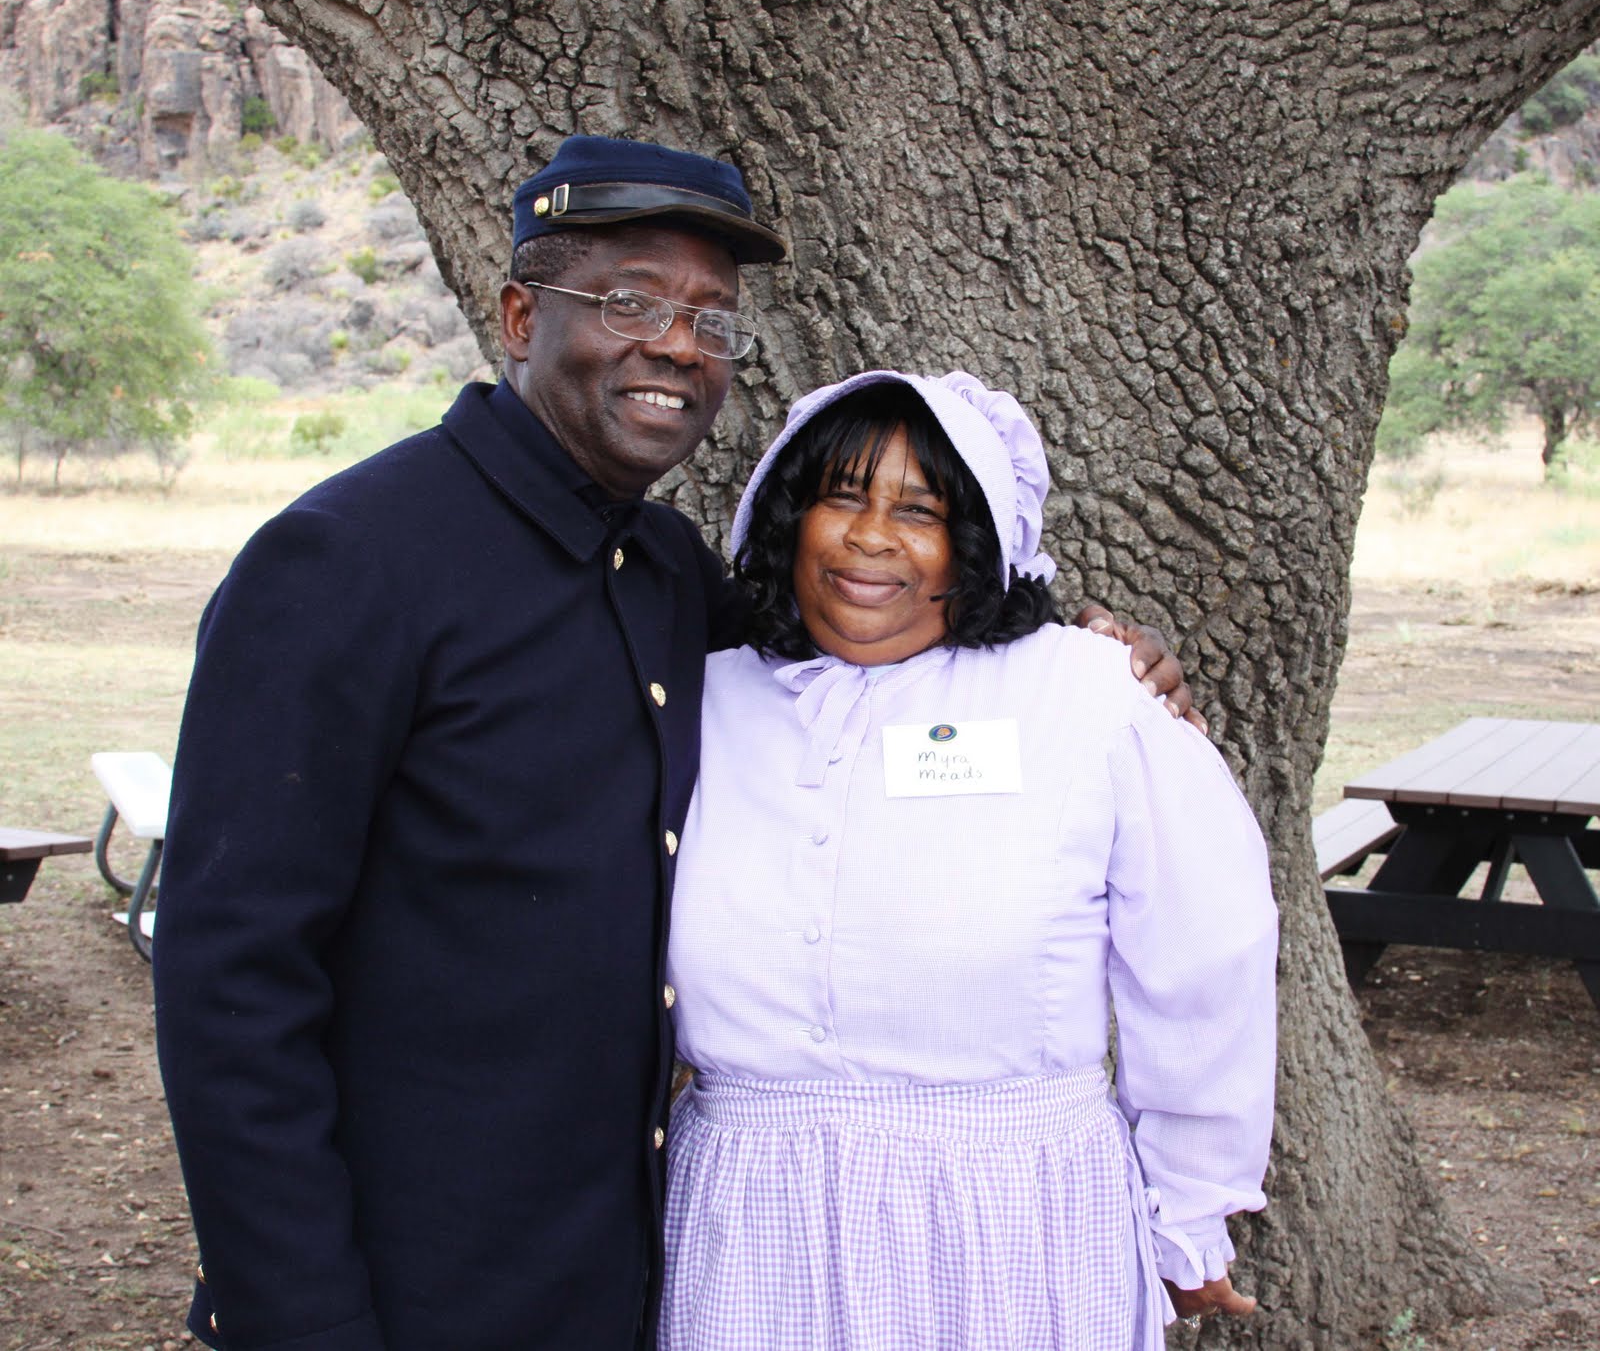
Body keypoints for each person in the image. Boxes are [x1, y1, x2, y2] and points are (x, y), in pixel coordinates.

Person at [152, 136, 1196, 1351]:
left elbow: (885, 635)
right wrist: (303, 1318)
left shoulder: (662, 574)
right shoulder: (349, 560)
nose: (676, 346)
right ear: (516, 313)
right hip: (408, 1284)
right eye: (629, 300)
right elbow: (231, 981)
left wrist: (1087, 650)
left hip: (632, 1269)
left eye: (710, 319)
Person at [660, 371, 1279, 1349]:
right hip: (752, 1218)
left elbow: (1204, 951)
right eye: (842, 496)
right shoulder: (699, 698)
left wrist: (1190, 1205)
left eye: (919, 509)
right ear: (788, 517)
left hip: (1013, 1216)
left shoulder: (1085, 696)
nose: (871, 536)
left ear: (977, 545)